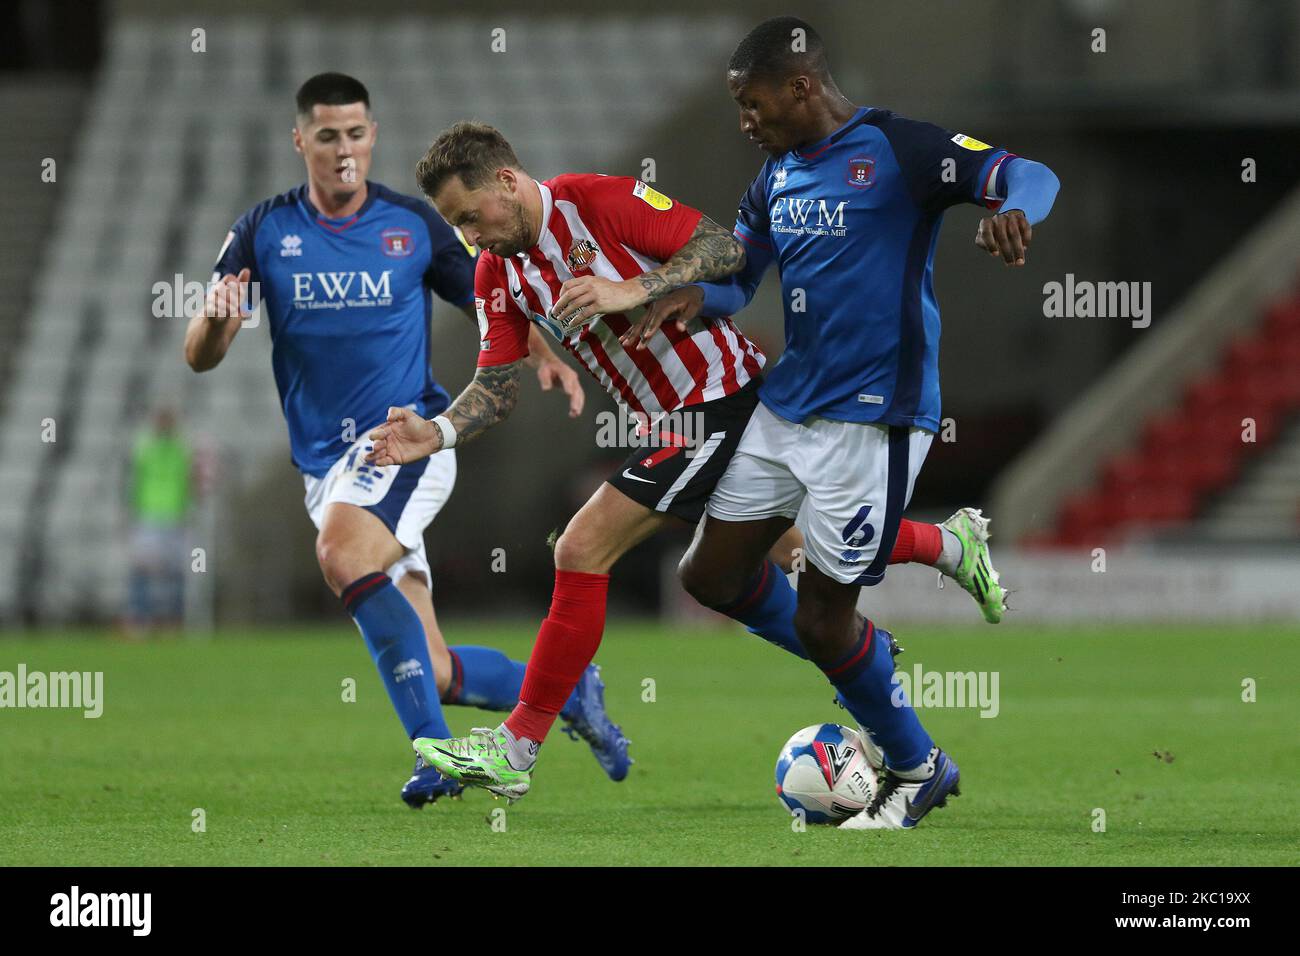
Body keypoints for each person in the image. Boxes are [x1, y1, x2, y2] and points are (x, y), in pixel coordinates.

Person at [365, 116, 1019, 805]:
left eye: (472, 217)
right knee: (775, 552)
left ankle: (517, 747)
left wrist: (635, 288)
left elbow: (723, 249)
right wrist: (433, 432)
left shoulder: (598, 200)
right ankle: (945, 548)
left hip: (722, 396)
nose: (471, 237)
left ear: (506, 180)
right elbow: (497, 386)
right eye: (458, 227)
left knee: (581, 548)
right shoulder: (497, 271)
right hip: (669, 420)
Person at [639, 17, 1060, 829]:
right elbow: (742, 278)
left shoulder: (901, 150)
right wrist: (693, 300)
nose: (745, 122)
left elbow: (1028, 173)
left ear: (800, 87)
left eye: (753, 104)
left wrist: (1016, 211)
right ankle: (867, 657)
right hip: (788, 404)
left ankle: (918, 767)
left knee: (823, 617)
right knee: (708, 579)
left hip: (876, 417)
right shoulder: (773, 178)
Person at [182, 73, 628, 810]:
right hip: (326, 470)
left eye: (356, 133)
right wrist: (217, 320)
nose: (344, 149)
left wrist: (545, 354)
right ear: (301, 141)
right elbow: (200, 356)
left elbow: (493, 297)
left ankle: (435, 757)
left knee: (341, 554)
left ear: (372, 136)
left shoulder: (411, 226)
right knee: (438, 667)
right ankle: (565, 689)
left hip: (405, 441)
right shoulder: (264, 230)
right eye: (328, 135)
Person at [124, 407, 192, 634]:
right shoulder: (145, 447)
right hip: (148, 514)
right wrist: (131, 511)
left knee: (175, 571)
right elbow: (133, 481)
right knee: (142, 569)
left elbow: (188, 481)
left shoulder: (181, 448)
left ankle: (173, 620)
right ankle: (139, 619)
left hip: (174, 515)